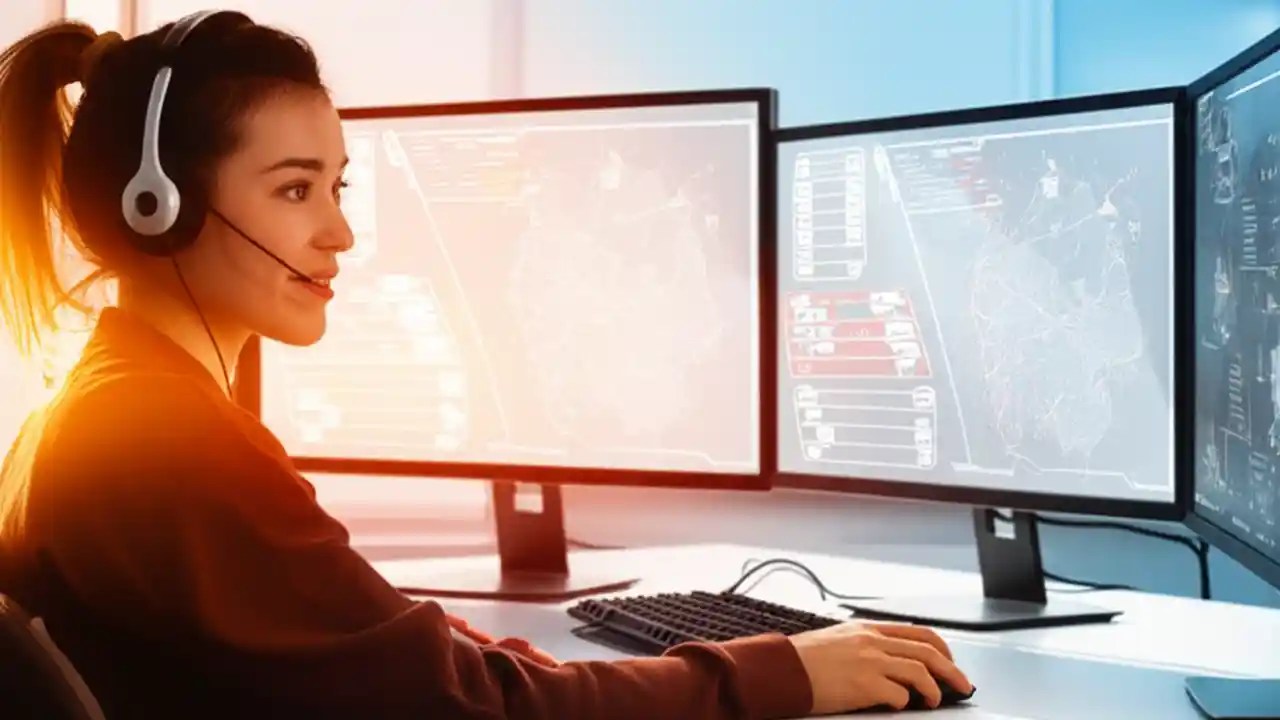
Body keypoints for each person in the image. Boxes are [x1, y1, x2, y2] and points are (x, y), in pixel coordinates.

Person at [0, 11, 973, 719]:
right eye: (295, 190)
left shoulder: (103, 407)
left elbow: (402, 663)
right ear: (157, 207)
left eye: (338, 187)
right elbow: (476, 711)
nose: (340, 233)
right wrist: (786, 674)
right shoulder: (167, 440)